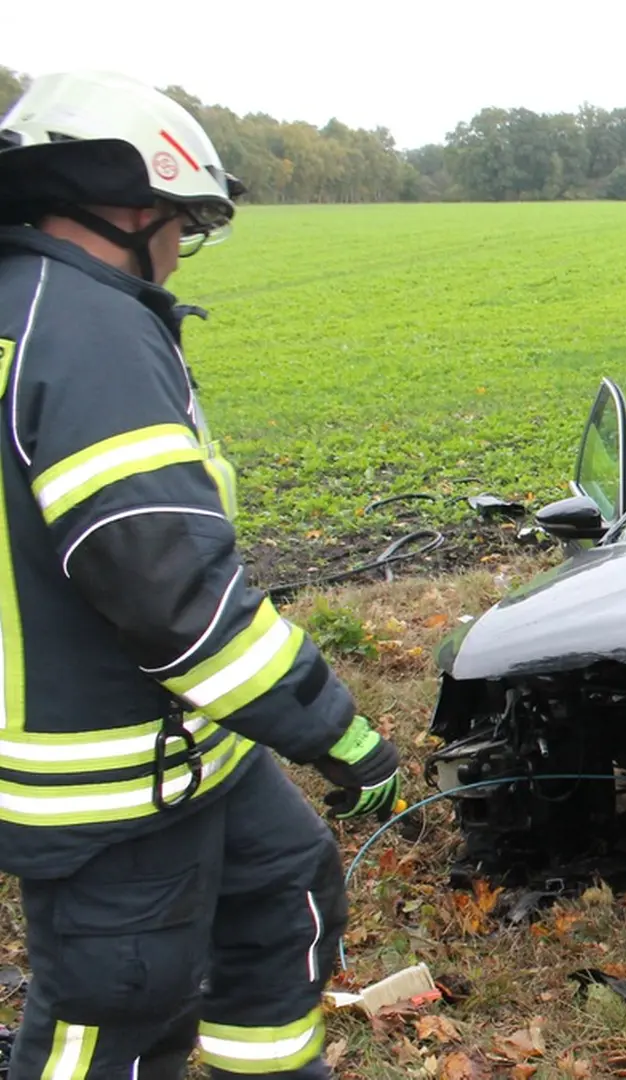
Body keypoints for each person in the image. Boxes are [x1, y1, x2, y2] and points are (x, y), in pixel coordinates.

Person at [0, 70, 404, 1078]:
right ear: (132, 206)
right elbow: (177, 599)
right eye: (183, 220)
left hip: (187, 750)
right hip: (105, 779)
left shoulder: (33, 306)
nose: (182, 246)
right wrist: (343, 736)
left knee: (284, 894)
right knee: (117, 1008)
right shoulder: (86, 333)